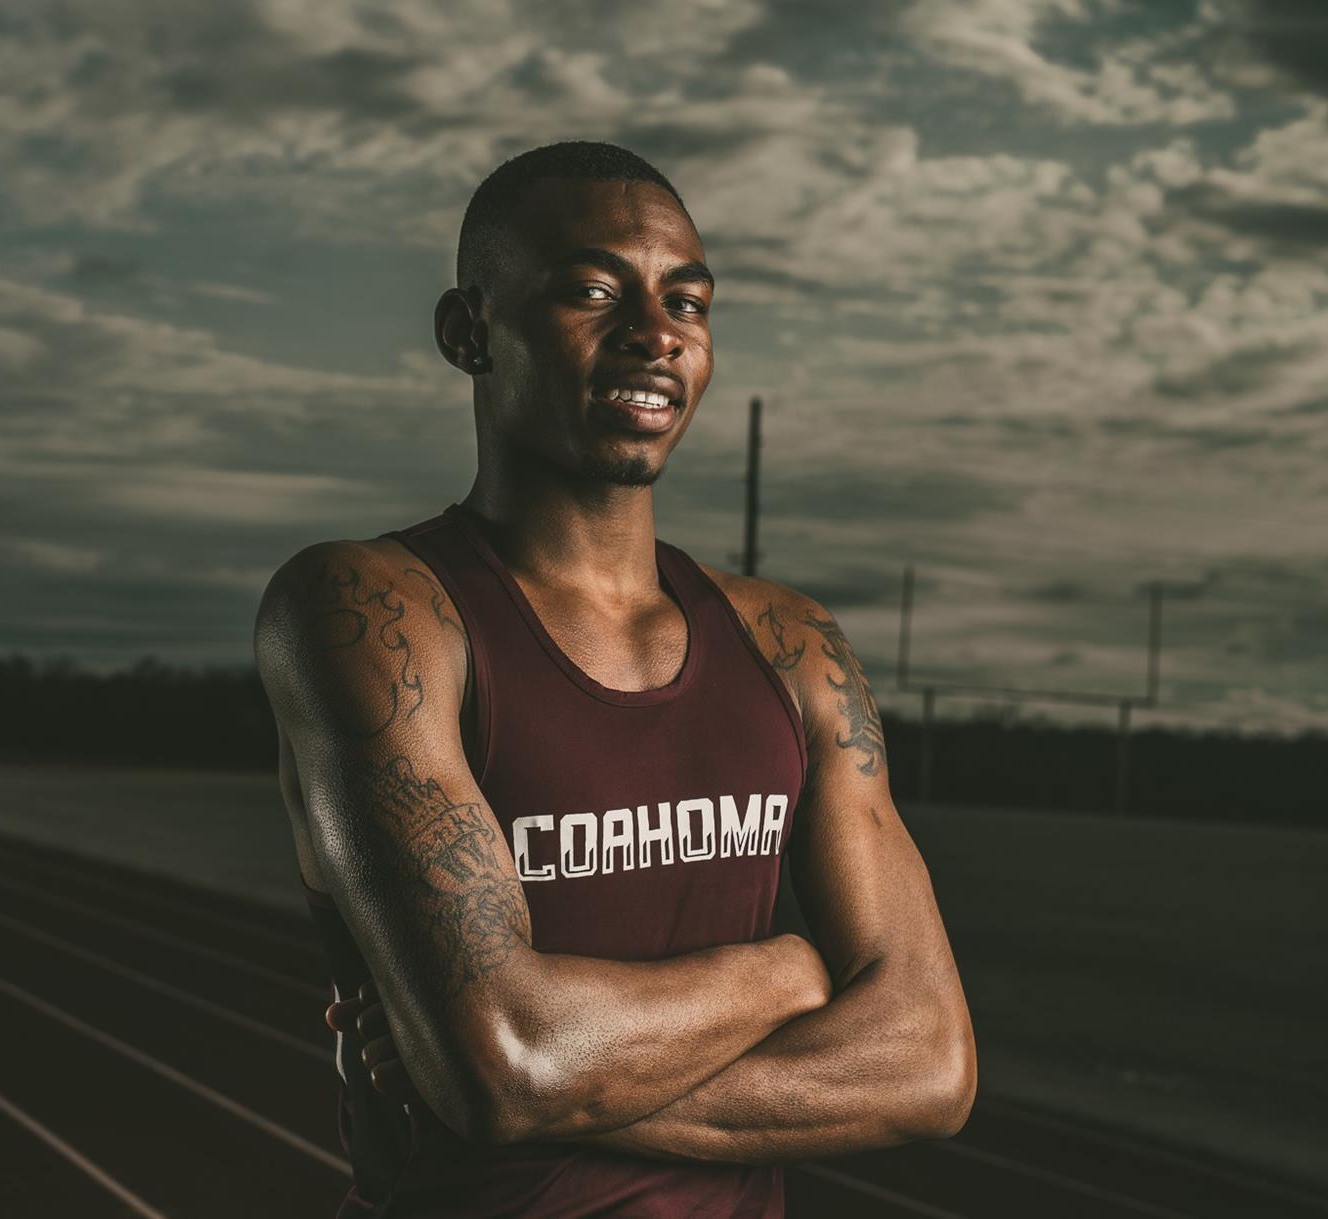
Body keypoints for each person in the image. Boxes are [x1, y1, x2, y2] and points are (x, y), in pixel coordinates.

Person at [253, 140, 975, 1218]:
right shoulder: (373, 613)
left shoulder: (789, 642)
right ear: (468, 332)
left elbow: (927, 1062)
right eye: (592, 291)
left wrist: (494, 1068)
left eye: (685, 302)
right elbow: (510, 1063)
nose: (653, 335)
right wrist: (787, 972)